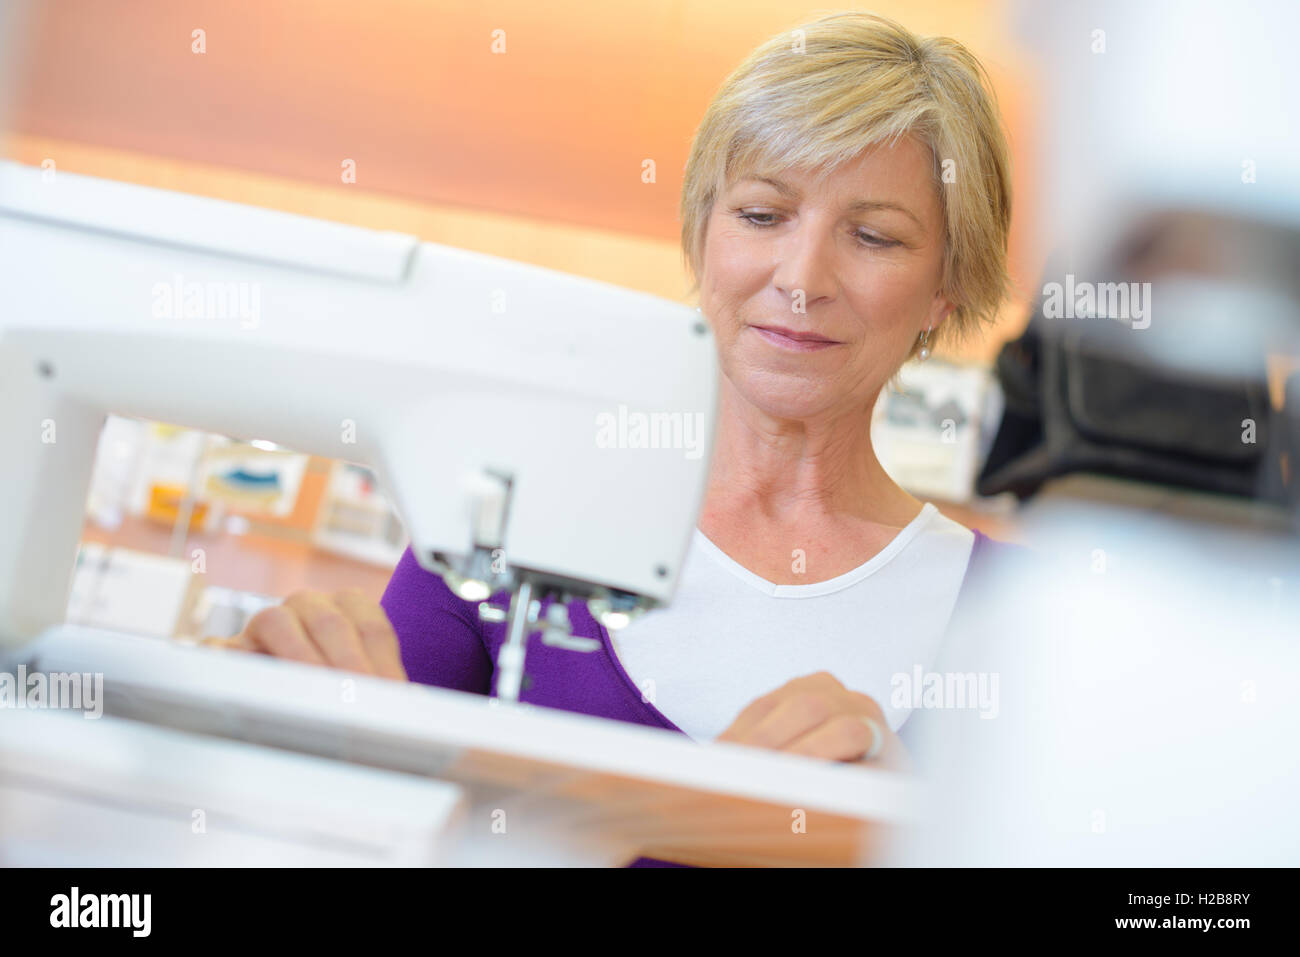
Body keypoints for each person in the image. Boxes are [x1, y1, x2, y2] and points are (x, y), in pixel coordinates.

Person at [207, 10, 1020, 863]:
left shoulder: (1017, 619)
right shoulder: (514, 525)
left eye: (873, 236)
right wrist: (263, 728)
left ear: (945, 291)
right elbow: (363, 823)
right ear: (704, 233)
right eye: (762, 214)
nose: (801, 279)